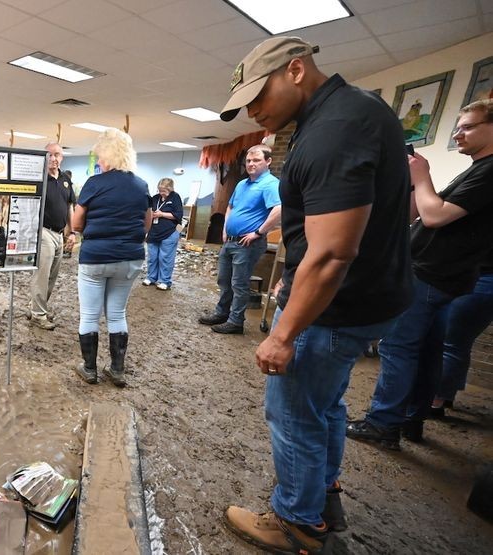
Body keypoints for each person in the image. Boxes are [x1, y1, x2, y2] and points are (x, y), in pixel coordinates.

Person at [217, 37, 413, 554]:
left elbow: (332, 255)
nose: (254, 111)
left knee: (295, 412)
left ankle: (297, 524)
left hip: (337, 306)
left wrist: (283, 333)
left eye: (259, 96)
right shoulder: (357, 110)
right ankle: (325, 494)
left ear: (297, 70)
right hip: (369, 299)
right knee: (325, 405)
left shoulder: (333, 130)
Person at [347, 98, 493, 448]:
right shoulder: (477, 168)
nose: (458, 133)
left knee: (398, 348)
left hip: (432, 274)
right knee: (428, 350)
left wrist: (421, 175)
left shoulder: (489, 171)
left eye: (467, 126)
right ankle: (411, 418)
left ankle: (383, 424)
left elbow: (435, 215)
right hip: (445, 277)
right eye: (457, 126)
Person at [71, 128, 151, 387]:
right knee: (117, 314)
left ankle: (90, 369)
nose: (99, 161)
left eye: (99, 157)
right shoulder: (141, 186)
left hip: (95, 257)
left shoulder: (94, 183)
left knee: (89, 316)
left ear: (106, 156)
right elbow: (147, 223)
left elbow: (76, 222)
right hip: (129, 258)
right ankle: (116, 370)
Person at [197, 144, 281, 334]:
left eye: (256, 160)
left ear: (268, 162)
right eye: (249, 160)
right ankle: (222, 313)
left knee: (239, 283)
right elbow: (230, 207)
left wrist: (258, 232)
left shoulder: (270, 184)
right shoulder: (242, 184)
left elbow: (278, 209)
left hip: (248, 243)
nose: (251, 164)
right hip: (230, 240)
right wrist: (226, 229)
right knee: (224, 280)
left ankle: (235, 321)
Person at [431, 259, 493, 414]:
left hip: (478, 278)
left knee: (450, 346)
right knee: (460, 344)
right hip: (485, 283)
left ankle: (435, 402)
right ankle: (446, 396)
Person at [29, 143, 76, 330]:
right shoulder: (38, 179)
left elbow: (70, 207)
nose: (54, 159)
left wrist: (71, 232)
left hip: (59, 233)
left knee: (52, 276)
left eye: (57, 155)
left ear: (62, 157)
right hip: (43, 232)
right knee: (42, 274)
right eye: (50, 155)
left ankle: (35, 308)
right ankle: (38, 315)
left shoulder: (66, 179)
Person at [142, 178, 183, 290]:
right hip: (154, 232)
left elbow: (178, 215)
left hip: (169, 232)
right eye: (160, 190)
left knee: (165, 258)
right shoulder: (155, 198)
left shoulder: (175, 198)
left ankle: (164, 281)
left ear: (170, 189)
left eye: (164, 191)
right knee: (152, 257)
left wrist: (161, 214)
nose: (161, 193)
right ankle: (151, 277)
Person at [63, 170, 76, 259]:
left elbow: (71, 203)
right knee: (66, 232)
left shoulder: (69, 186)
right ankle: (65, 250)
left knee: (68, 232)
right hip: (65, 213)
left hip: (69, 212)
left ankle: (67, 250)